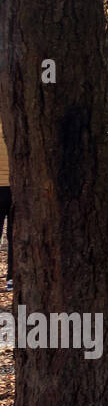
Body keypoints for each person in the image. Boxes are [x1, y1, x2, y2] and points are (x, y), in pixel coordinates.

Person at [0, 119, 9, 291]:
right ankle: (12, 277)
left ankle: (13, 276)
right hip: (17, 186)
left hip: (18, 186)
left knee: (15, 234)